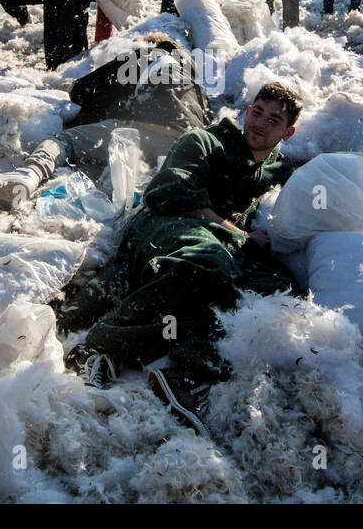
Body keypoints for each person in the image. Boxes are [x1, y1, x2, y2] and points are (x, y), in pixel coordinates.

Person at [58, 82, 303, 435]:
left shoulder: (281, 170)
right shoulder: (204, 141)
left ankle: (184, 374)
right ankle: (100, 346)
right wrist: (239, 234)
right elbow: (173, 193)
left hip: (223, 243)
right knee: (208, 263)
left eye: (273, 120)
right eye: (257, 112)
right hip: (165, 222)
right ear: (247, 111)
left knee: (280, 288)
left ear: (288, 131)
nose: (260, 124)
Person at [0, 33, 211, 209]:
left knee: (62, 140)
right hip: (183, 147)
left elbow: (90, 89)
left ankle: (28, 175)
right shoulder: (198, 89)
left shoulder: (149, 56)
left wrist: (80, 117)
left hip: (142, 132)